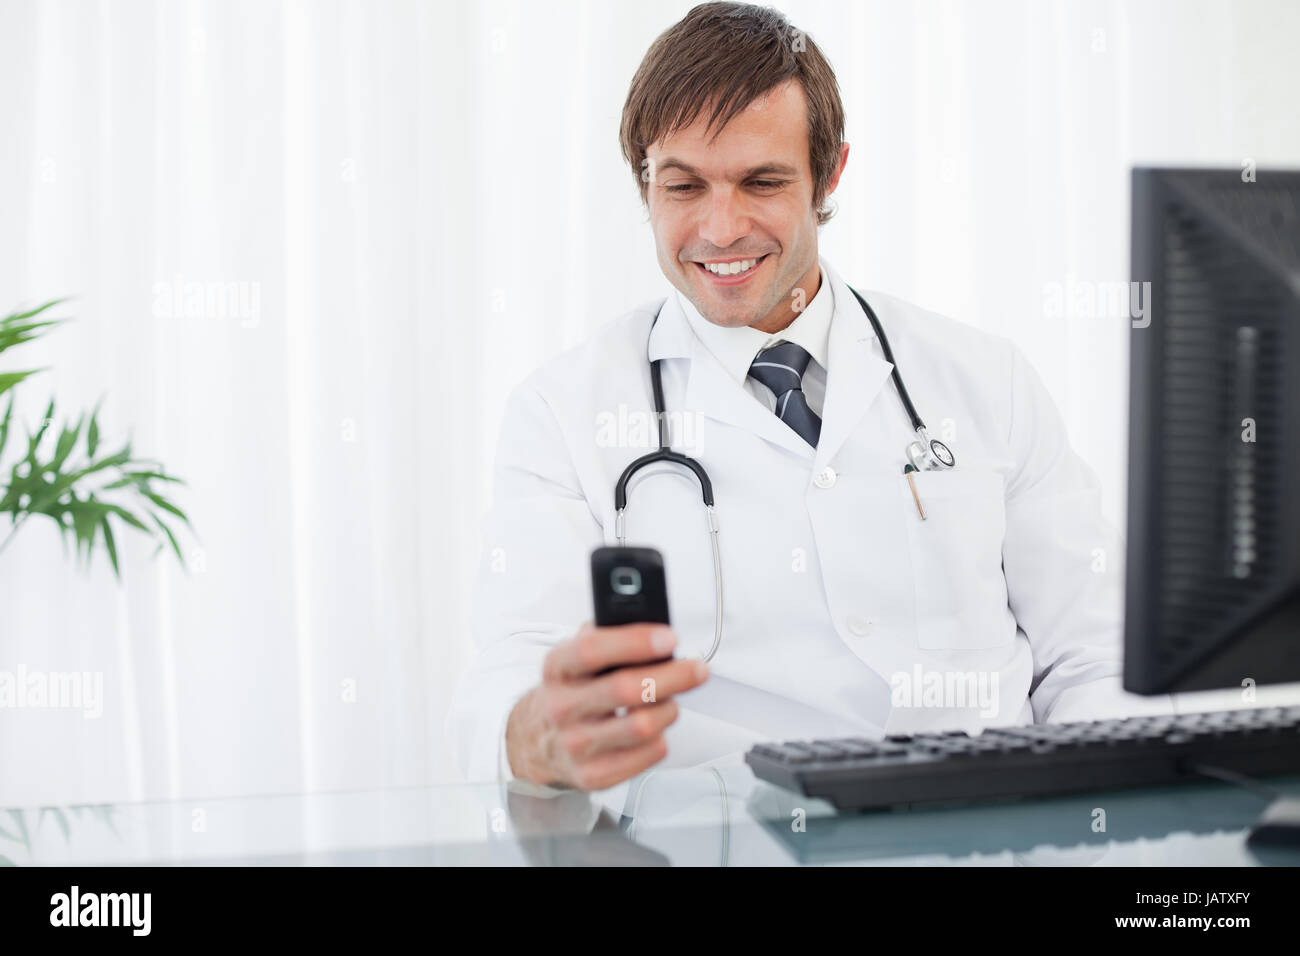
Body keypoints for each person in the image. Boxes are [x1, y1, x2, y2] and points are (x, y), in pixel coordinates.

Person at [447, 1, 1171, 790]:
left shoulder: (983, 380)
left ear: (830, 175)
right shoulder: (562, 413)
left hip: (982, 832)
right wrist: (530, 735)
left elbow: (1093, 654)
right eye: (683, 186)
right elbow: (515, 669)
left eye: (762, 181)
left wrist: (1090, 821)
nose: (720, 229)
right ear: (644, 184)